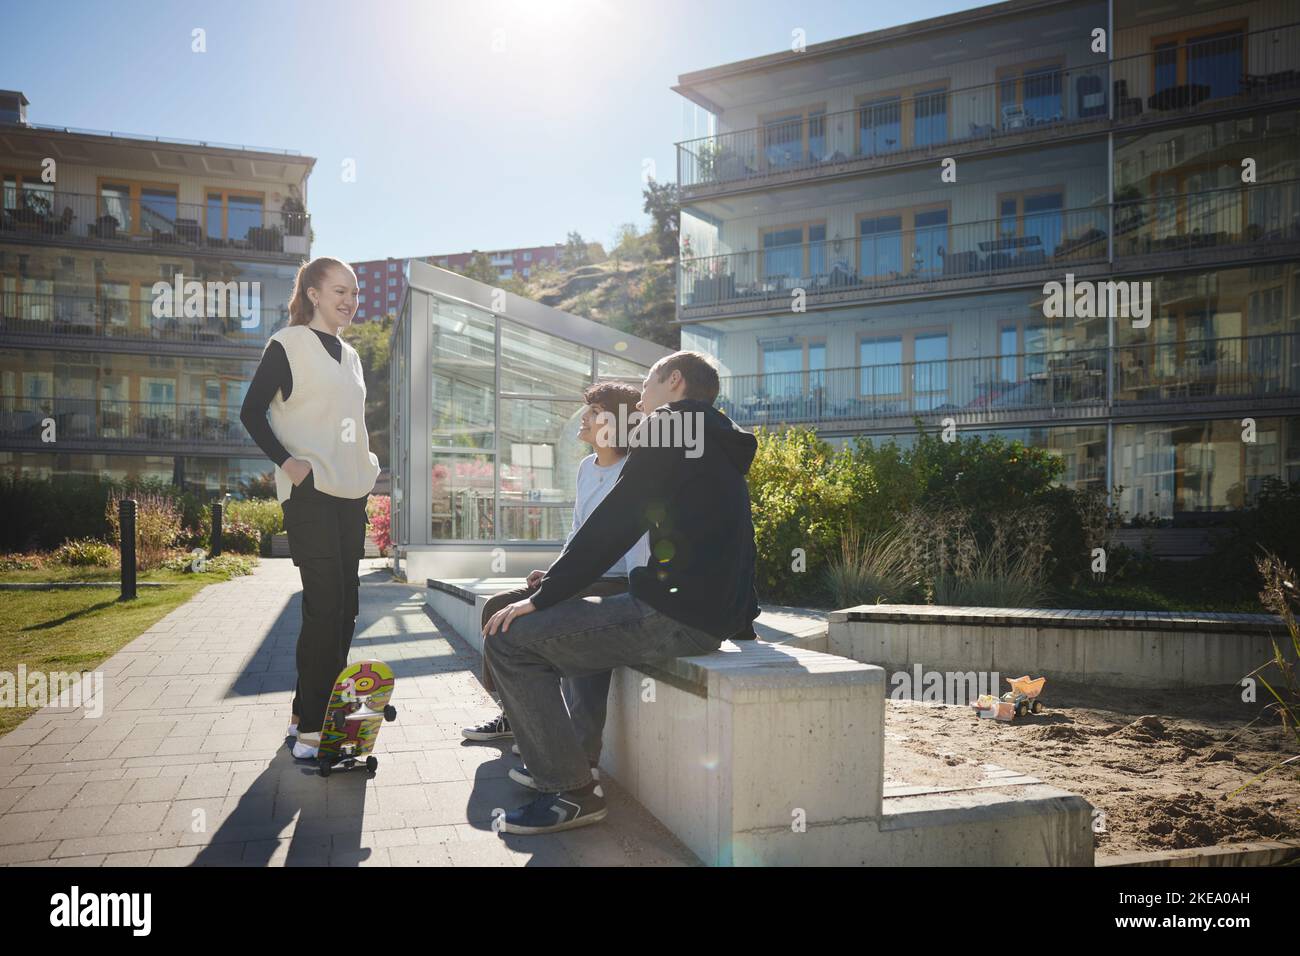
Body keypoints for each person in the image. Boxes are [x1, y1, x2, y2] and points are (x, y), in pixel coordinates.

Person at [482, 351, 760, 834]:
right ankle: (570, 763)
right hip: (703, 616)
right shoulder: (715, 437)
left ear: (674, 381)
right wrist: (743, 619)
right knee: (550, 629)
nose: (643, 396)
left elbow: (615, 521)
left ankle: (571, 790)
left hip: (669, 614)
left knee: (508, 639)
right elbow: (741, 540)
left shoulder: (667, 427)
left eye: (648, 382)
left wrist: (544, 596)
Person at [463, 382, 650, 789]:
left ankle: (584, 759)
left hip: (617, 582)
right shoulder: (587, 468)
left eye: (595, 410)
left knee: (582, 635)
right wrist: (554, 573)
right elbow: (578, 532)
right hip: (580, 575)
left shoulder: (634, 469)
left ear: (615, 421)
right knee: (496, 607)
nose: (584, 418)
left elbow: (638, 542)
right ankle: (514, 717)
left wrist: (638, 593)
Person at [239, 256, 379, 760]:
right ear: (313, 293)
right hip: (311, 494)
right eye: (339, 290)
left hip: (350, 493)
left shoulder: (352, 356)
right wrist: (289, 463)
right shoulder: (287, 345)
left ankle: (309, 711)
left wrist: (365, 466)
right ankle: (312, 731)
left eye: (355, 292)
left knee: (346, 609)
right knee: (324, 608)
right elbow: (250, 411)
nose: (349, 300)